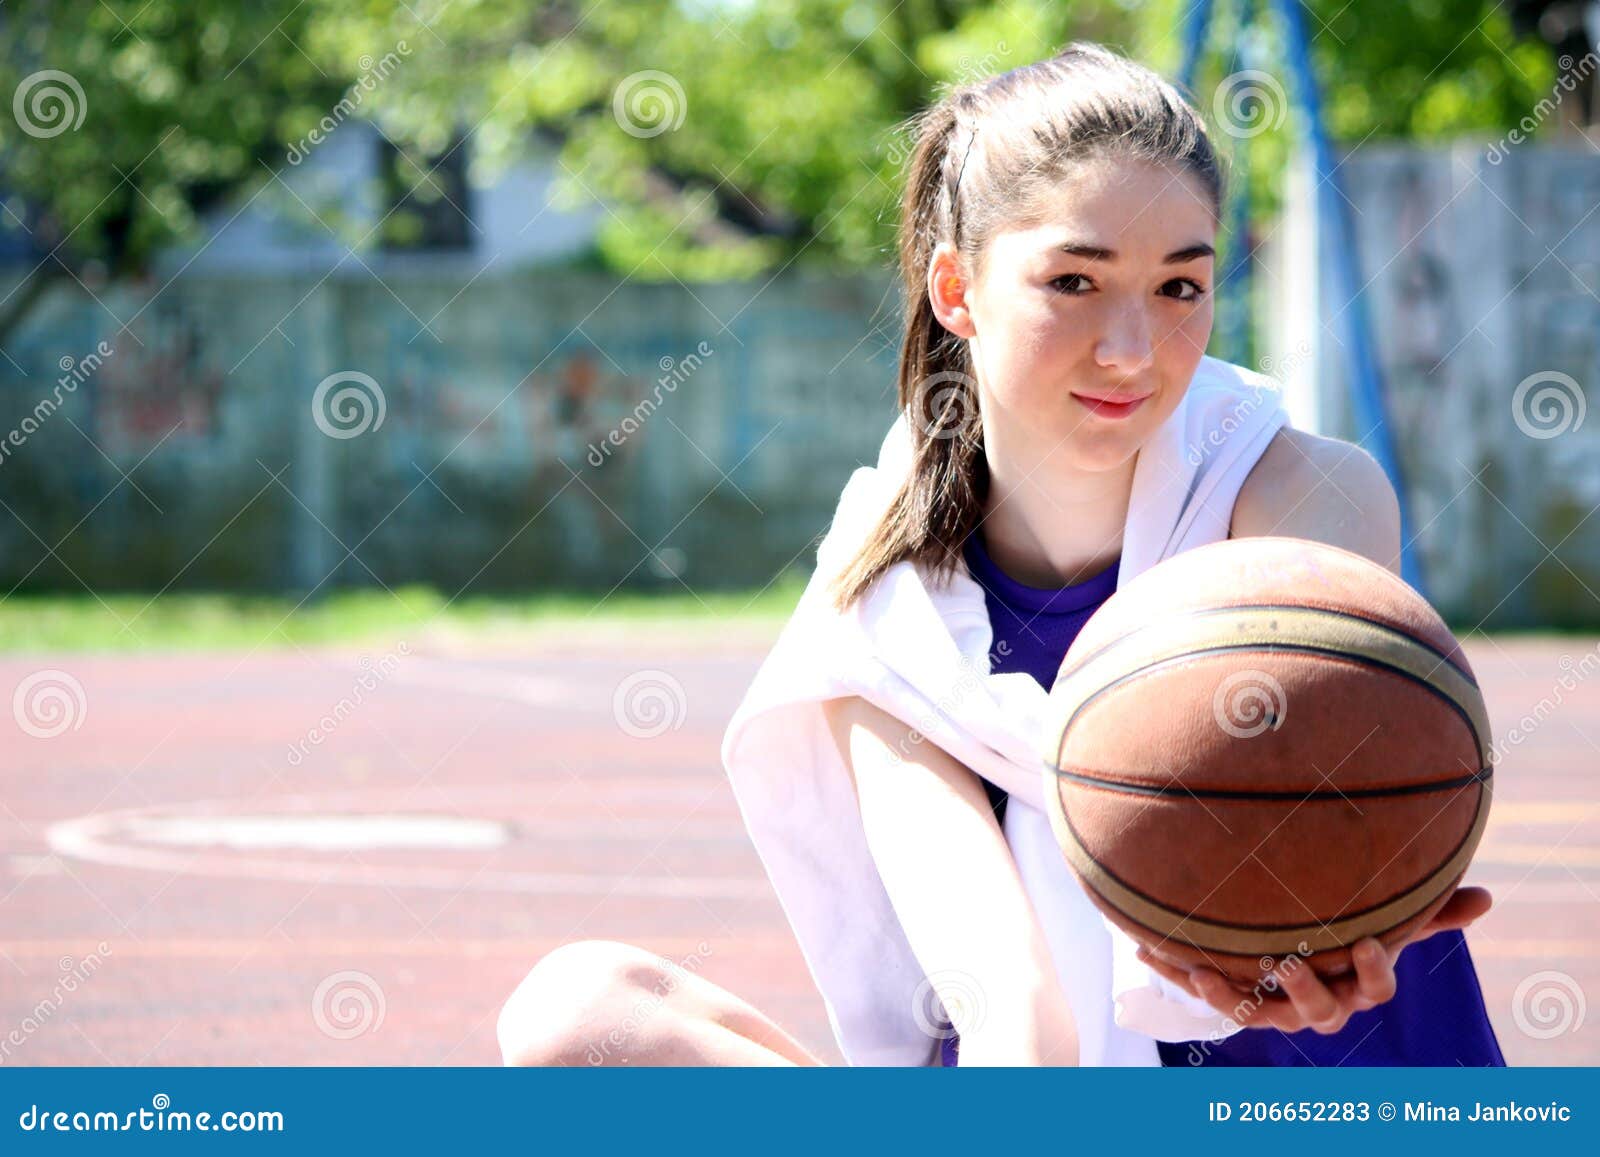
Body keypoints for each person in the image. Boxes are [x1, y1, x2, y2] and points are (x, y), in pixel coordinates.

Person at [495, 41, 1499, 1068]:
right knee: (576, 1012)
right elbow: (1013, 1007)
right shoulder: (888, 600)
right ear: (956, 289)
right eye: (1075, 278)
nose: (1132, 347)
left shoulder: (1300, 495)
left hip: (1325, 1085)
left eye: (1179, 288)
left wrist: (1309, 919)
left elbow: (1317, 828)